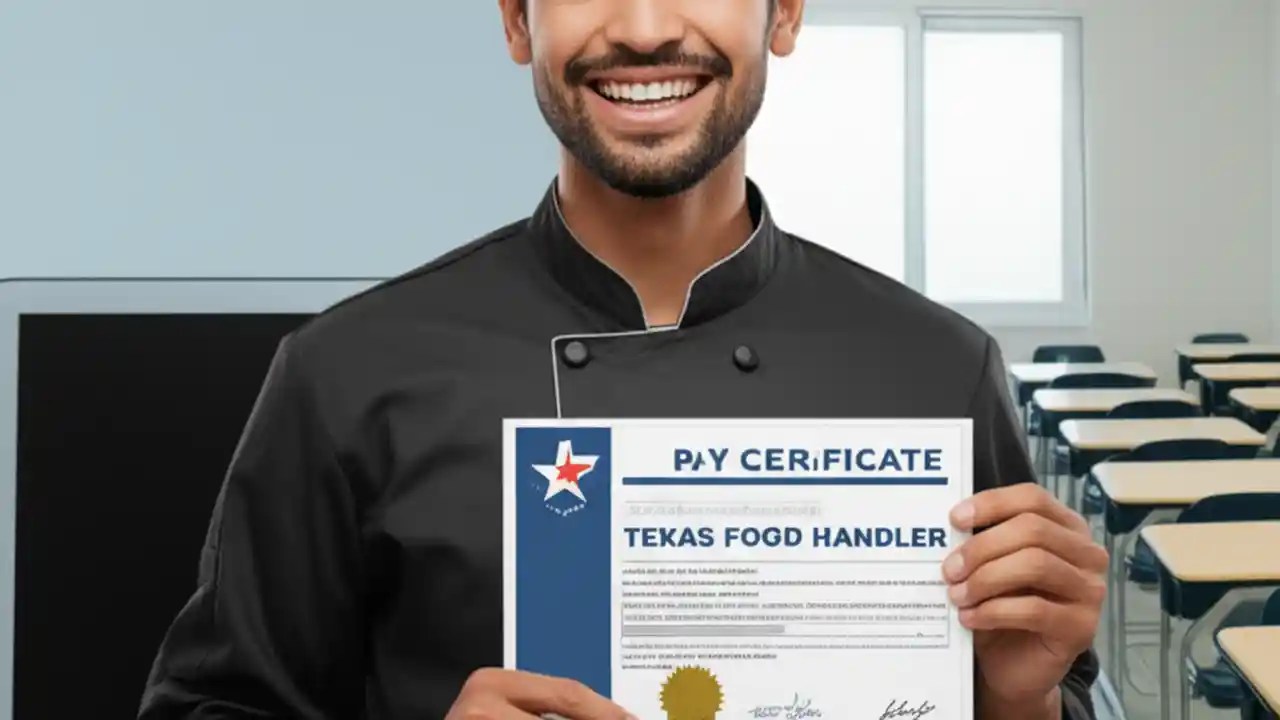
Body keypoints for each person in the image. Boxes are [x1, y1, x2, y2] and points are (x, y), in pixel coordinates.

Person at [138, 0, 1107, 718]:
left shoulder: (936, 368)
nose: (644, 26)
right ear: (517, 22)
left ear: (785, 15)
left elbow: (1020, 693)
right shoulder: (346, 370)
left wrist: (1014, 706)